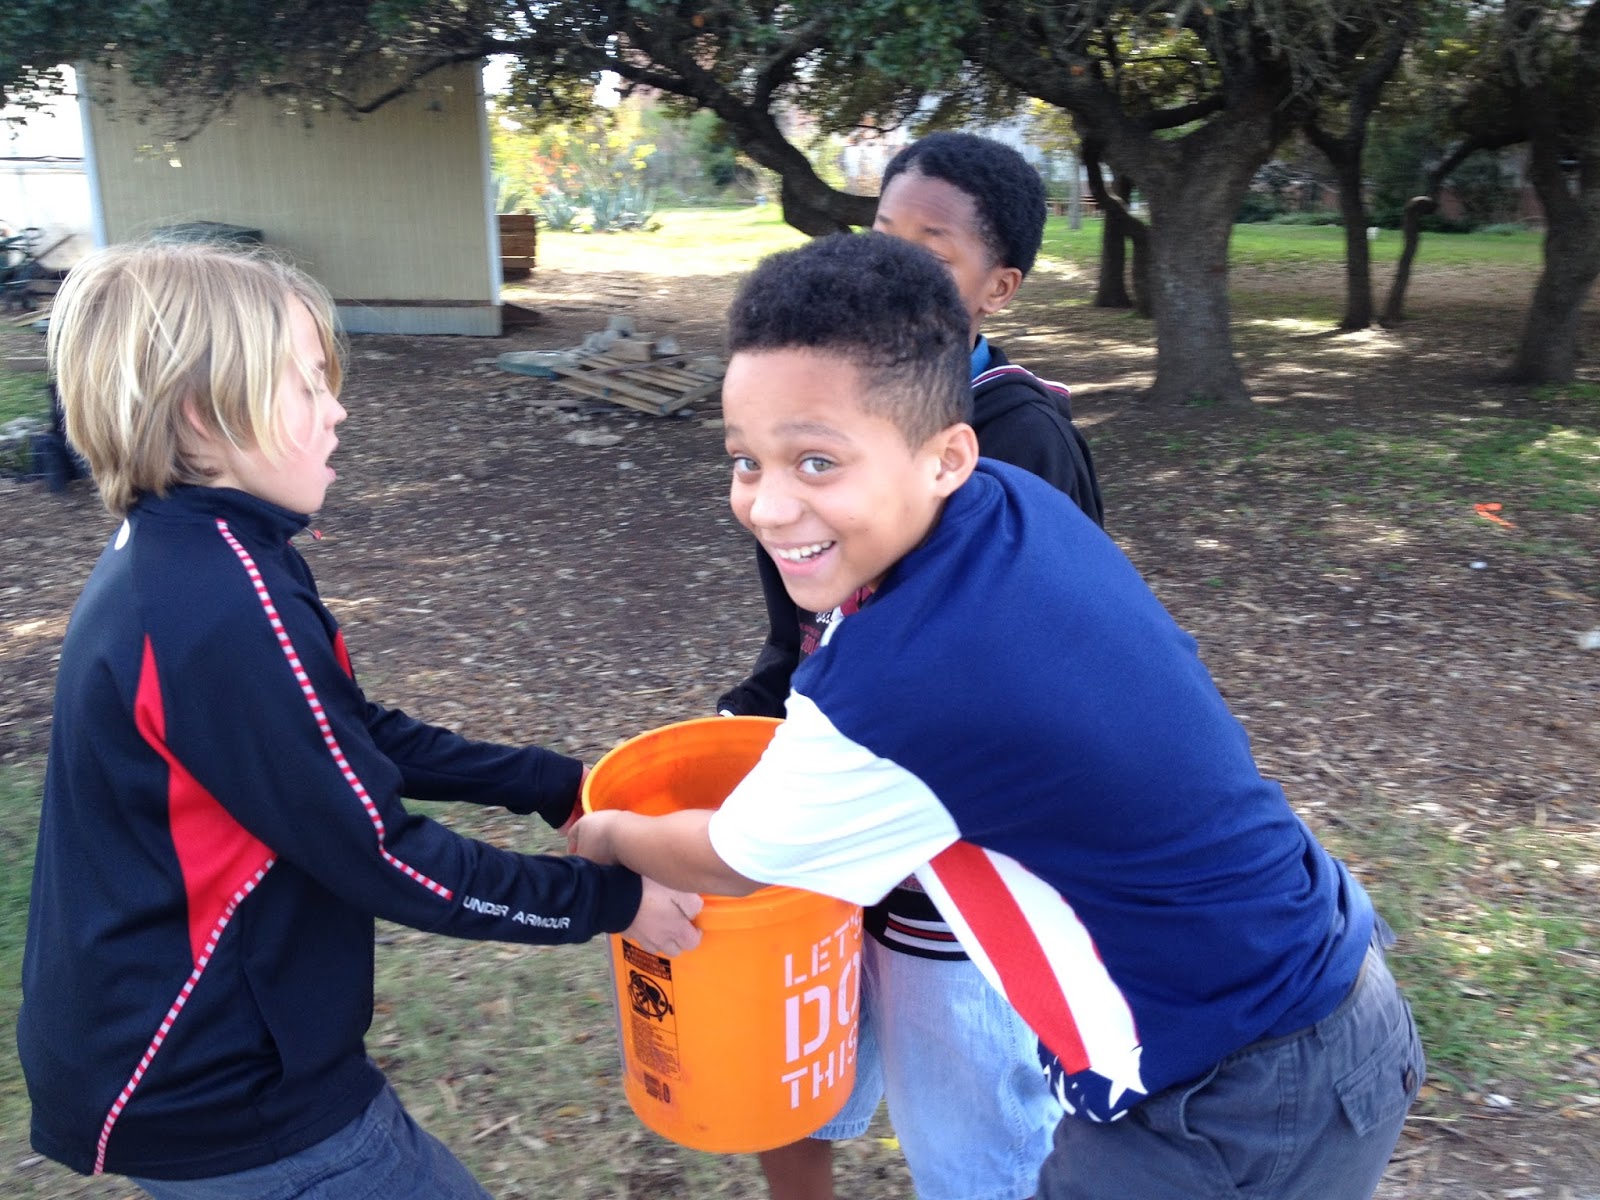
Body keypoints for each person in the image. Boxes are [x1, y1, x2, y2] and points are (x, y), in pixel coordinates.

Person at [571, 231, 1425, 1200]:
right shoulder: (1007, 504)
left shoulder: (902, 688)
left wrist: (604, 831)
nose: (768, 508)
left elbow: (732, 855)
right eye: (744, 462)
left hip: (1234, 1095)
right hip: (1318, 1006)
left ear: (946, 455)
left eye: (816, 462)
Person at [16, 241, 704, 1199]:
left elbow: (341, 734)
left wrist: (549, 782)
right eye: (305, 386)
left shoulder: (198, 553)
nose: (337, 409)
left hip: (172, 1054)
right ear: (204, 417)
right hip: (217, 1082)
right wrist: (612, 903)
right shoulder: (216, 605)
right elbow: (378, 853)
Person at [717, 132, 1101, 1200]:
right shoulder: (818, 415)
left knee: (973, 1138)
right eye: (883, 235)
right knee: (796, 1079)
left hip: (955, 869)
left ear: (998, 287)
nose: (894, 267)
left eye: (931, 250)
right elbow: (801, 637)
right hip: (833, 823)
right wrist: (750, 712)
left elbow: (1023, 675)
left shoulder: (1021, 443)